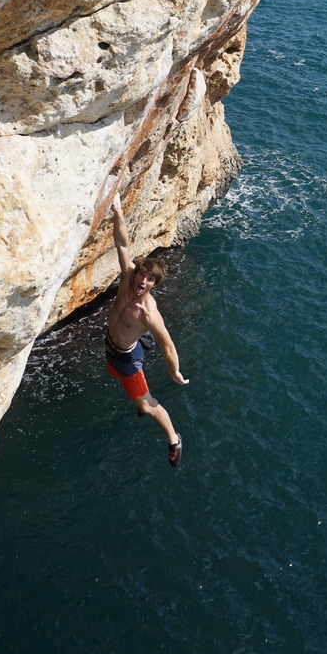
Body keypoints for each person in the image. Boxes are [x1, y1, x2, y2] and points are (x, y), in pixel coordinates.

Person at [105, 191, 188, 467]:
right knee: (116, 374)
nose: (143, 279)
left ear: (154, 285)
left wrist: (174, 372)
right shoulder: (127, 278)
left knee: (146, 404)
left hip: (127, 358)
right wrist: (118, 210)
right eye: (142, 273)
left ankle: (174, 439)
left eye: (150, 279)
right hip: (113, 347)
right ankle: (139, 395)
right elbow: (122, 245)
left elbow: (168, 345)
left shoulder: (149, 313)